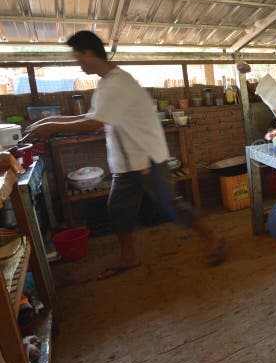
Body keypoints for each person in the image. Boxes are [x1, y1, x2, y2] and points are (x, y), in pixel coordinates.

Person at [24, 31, 225, 279]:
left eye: (78, 58)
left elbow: (94, 122)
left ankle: (211, 238)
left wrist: (52, 126)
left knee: (170, 206)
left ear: (89, 53)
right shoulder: (107, 83)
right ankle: (128, 257)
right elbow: (91, 116)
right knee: (118, 210)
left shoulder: (118, 83)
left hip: (146, 159)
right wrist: (47, 122)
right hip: (126, 163)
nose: (78, 64)